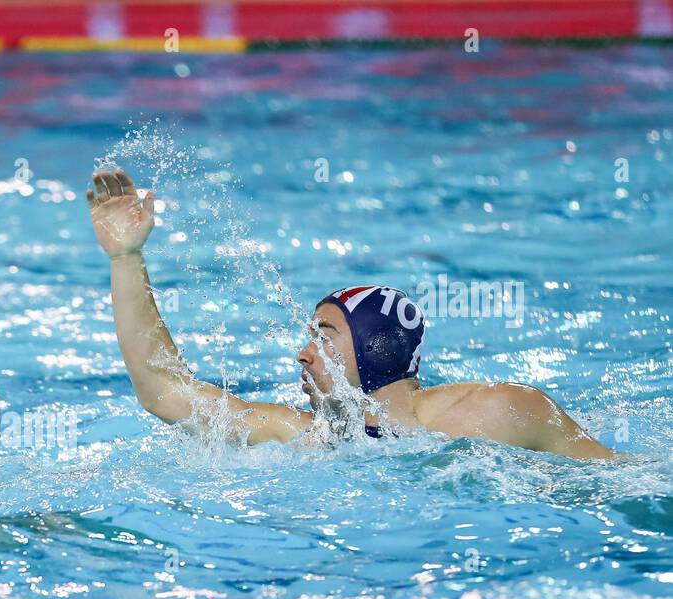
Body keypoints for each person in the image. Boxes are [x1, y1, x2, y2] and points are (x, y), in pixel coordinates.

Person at [86, 168, 614, 460]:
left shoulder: (497, 410)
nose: (302, 353)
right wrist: (125, 258)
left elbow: (618, 479)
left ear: (374, 346)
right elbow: (162, 391)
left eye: (324, 335)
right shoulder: (305, 436)